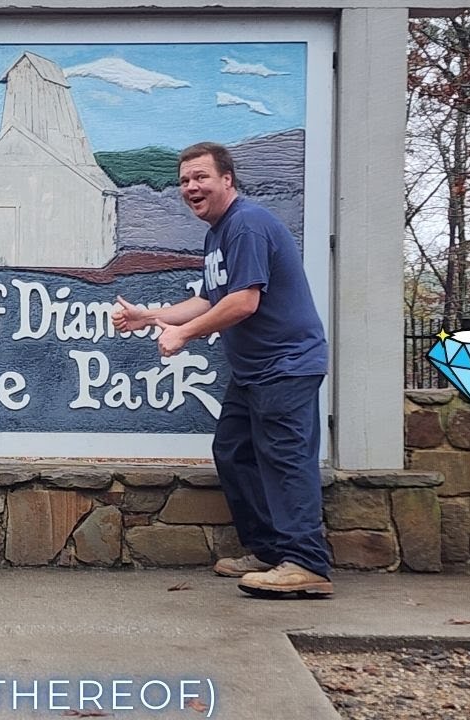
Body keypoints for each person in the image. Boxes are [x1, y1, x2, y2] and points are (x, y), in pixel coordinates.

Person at [111, 142, 332, 598]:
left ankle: (306, 563)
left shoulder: (247, 225)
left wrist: (184, 335)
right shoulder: (219, 234)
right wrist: (151, 317)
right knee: (235, 452)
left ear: (227, 179)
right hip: (254, 371)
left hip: (285, 366)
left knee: (286, 461)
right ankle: (272, 550)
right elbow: (210, 299)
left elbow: (243, 301)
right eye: (185, 180)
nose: (191, 187)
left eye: (201, 177)